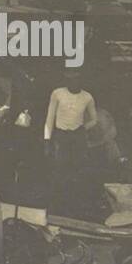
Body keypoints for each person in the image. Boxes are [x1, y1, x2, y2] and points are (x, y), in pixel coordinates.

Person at [44, 68, 97, 212]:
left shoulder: (87, 97)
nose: (72, 81)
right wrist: (47, 140)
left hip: (78, 136)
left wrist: (83, 128)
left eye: (76, 78)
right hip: (61, 136)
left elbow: (94, 119)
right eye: (69, 79)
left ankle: (75, 204)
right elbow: (50, 118)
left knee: (78, 168)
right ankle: (57, 203)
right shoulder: (57, 93)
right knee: (60, 168)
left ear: (80, 80)